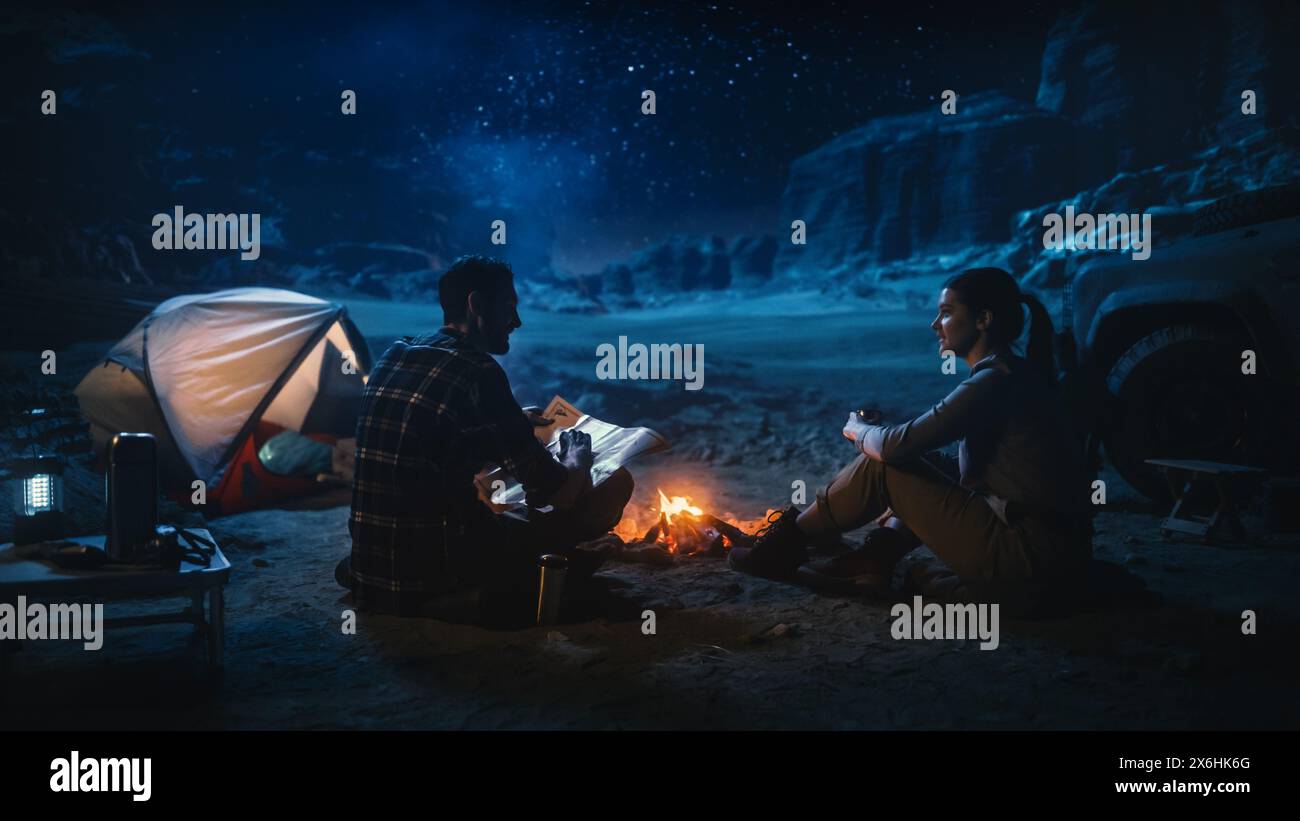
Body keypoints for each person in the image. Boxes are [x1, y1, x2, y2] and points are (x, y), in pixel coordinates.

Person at [728, 267, 1092, 613]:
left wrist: (856, 428)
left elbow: (892, 447)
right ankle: (873, 558)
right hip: (1055, 554)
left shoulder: (994, 381)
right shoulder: (1015, 373)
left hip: (1026, 558)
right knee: (923, 463)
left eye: (947, 313)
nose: (936, 325)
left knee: (883, 468)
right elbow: (942, 460)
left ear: (983, 320)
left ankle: (780, 547)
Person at [338, 255, 633, 622]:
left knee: (484, 506)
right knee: (615, 483)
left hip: (374, 560)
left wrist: (515, 422)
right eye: (509, 307)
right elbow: (560, 492)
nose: (516, 322)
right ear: (476, 305)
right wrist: (577, 458)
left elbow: (436, 439)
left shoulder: (395, 354)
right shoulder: (478, 371)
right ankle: (483, 590)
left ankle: (396, 585)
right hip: (437, 561)